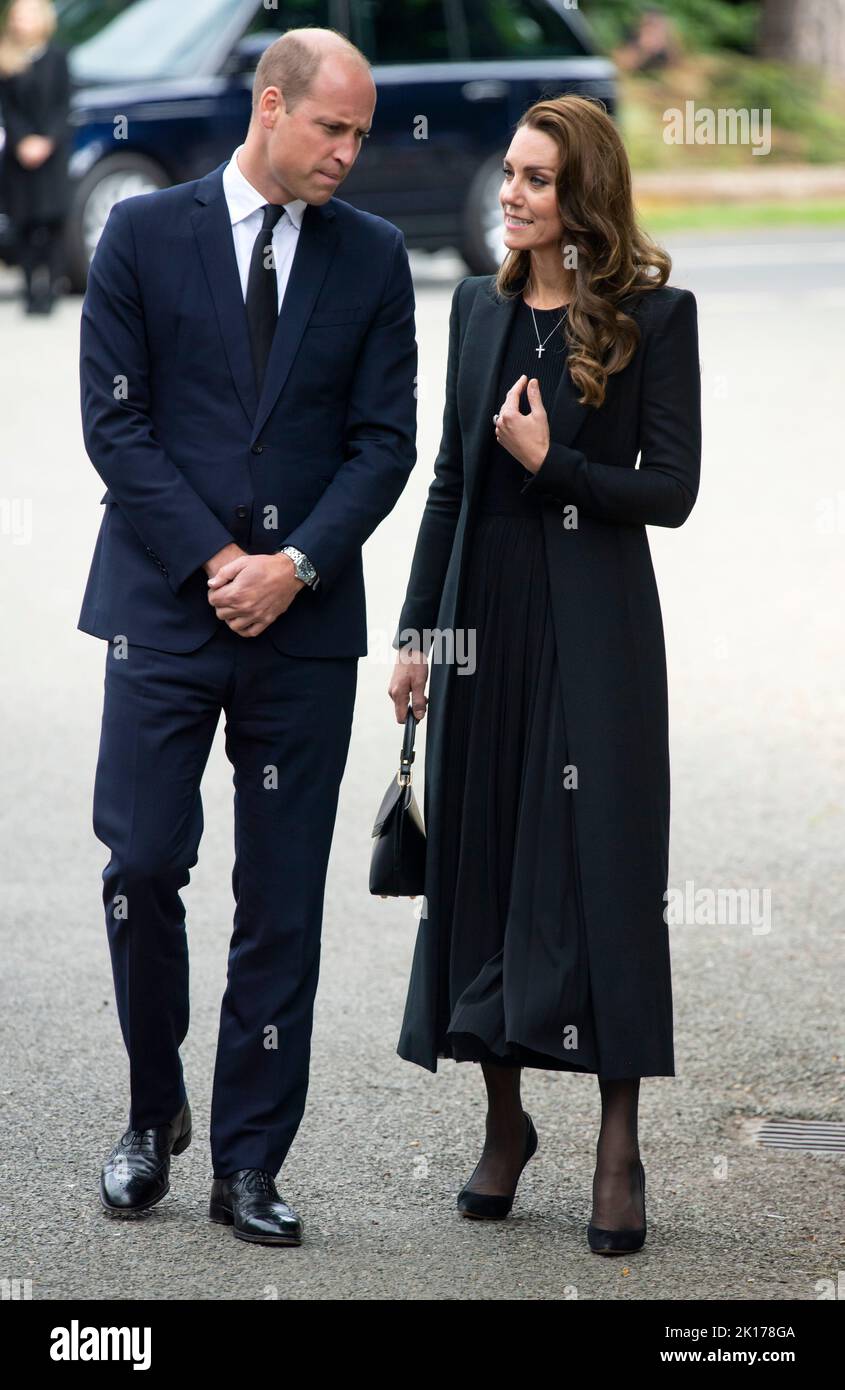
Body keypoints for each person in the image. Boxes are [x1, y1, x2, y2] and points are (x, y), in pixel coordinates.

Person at [78, 28, 417, 1245]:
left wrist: (296, 565)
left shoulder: (372, 259)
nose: (348, 154)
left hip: (304, 630)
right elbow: (116, 429)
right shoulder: (141, 233)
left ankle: (249, 1164)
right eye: (333, 128)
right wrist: (222, 564)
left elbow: (385, 442)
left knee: (279, 904)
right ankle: (149, 1105)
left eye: (362, 135)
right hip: (163, 611)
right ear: (269, 108)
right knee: (140, 868)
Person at [388, 94, 701, 1254]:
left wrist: (554, 461)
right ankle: (505, 1124)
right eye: (509, 174)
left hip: (596, 629)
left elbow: (670, 492)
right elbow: (449, 483)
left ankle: (617, 1145)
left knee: (597, 875)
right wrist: (418, 634)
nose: (509, 193)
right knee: (478, 860)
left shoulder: (651, 318)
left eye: (533, 178)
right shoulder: (475, 308)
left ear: (583, 199)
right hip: (485, 621)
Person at [0, 0, 70, 313]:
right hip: (20, 154)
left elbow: (63, 104)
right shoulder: (7, 58)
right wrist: (23, 141)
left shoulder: (57, 57)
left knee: (52, 221)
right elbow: (8, 108)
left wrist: (46, 141)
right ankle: (29, 290)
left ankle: (51, 288)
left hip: (51, 154)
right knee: (25, 222)